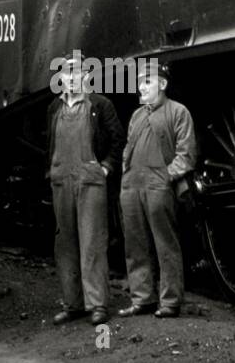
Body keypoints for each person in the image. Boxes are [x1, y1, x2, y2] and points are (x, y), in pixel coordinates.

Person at [46, 54, 125, 325]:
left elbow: (117, 139)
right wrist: (52, 170)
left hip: (90, 180)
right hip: (61, 180)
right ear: (61, 79)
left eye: (77, 73)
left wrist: (106, 168)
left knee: (92, 242)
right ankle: (72, 304)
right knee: (65, 244)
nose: (72, 79)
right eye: (67, 74)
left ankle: (98, 305)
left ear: (86, 77)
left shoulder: (101, 105)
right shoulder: (53, 108)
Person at [118, 62, 196, 318]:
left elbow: (186, 155)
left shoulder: (178, 112)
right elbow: (128, 150)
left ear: (162, 84)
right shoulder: (137, 116)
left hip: (158, 185)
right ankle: (142, 299)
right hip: (132, 185)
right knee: (135, 244)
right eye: (140, 83)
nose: (142, 87)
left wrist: (166, 178)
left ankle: (170, 301)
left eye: (147, 82)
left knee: (165, 244)